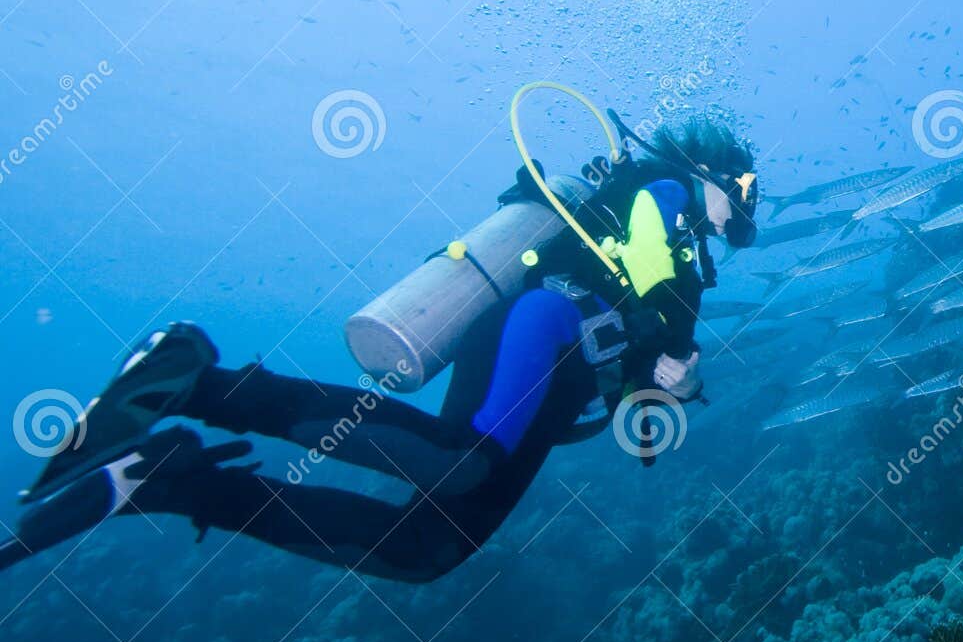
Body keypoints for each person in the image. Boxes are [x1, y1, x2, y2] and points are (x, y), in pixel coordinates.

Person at [2, 116, 758, 583]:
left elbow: (637, 408)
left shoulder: (687, 253)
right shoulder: (667, 192)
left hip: (552, 381)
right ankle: (197, 382)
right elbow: (654, 262)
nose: (746, 206)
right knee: (458, 462)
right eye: (746, 186)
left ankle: (177, 482)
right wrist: (676, 336)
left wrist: (667, 392)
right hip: (542, 325)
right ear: (712, 171)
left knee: (429, 549)